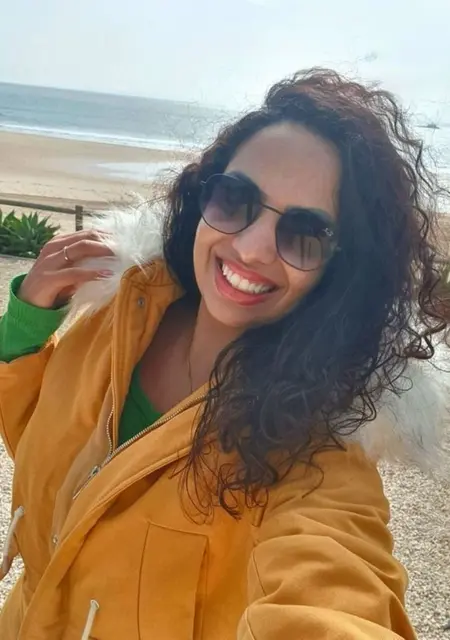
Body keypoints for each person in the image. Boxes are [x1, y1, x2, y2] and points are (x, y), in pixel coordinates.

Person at [0, 68, 448, 640]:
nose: (253, 247)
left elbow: (333, 588)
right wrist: (26, 326)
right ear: (205, 193)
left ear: (342, 270)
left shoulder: (312, 453)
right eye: (237, 199)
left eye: (305, 234)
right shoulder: (122, 313)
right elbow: (44, 445)